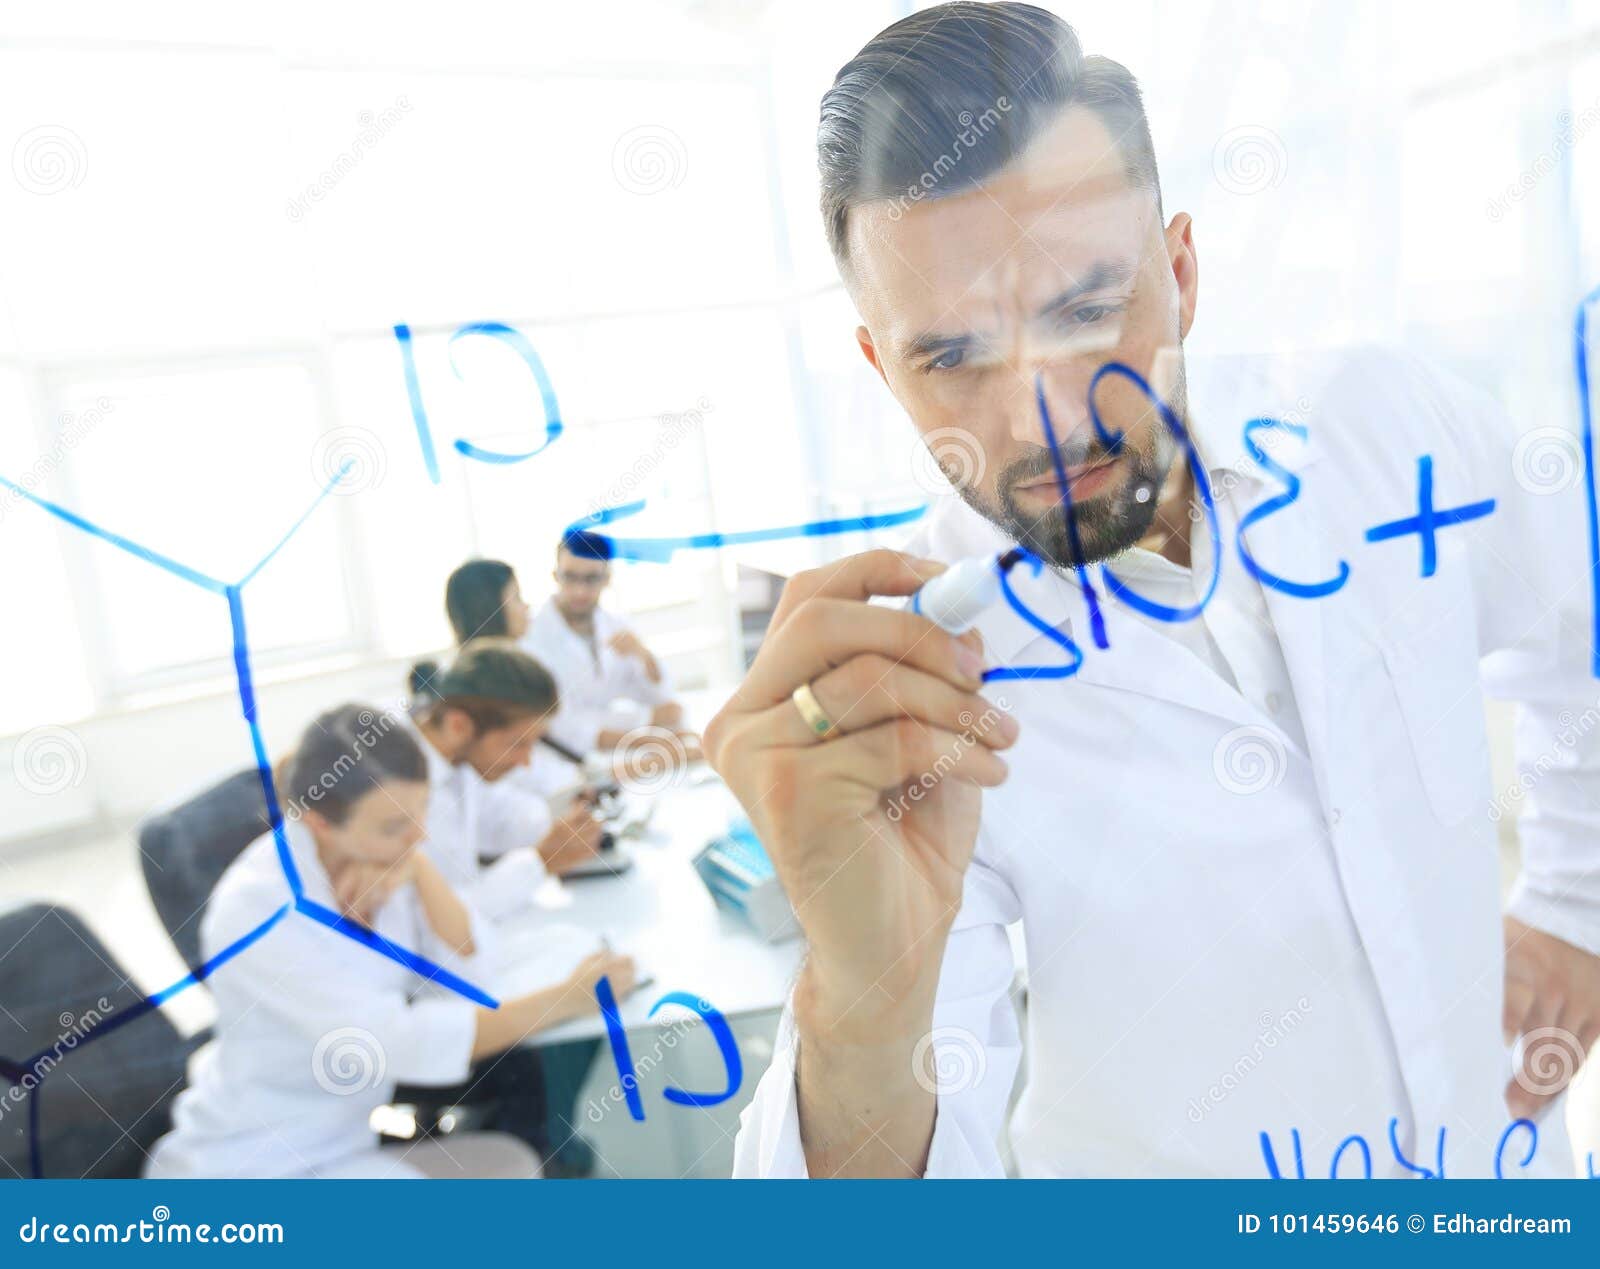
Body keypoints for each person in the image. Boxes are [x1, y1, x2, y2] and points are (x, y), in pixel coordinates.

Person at [710, 2, 1600, 1178]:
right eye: (954, 356)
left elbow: (1575, 638)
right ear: (882, 363)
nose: (1050, 417)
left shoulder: (1381, 422)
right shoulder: (906, 696)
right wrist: (860, 1000)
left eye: (1088, 310)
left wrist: (1577, 909)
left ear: (1180, 272)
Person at [144, 704, 634, 1179]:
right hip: (254, 1166)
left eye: (420, 815)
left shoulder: (374, 862)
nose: (416, 835)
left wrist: (418, 869)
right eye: (395, 826)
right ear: (319, 821)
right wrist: (567, 1000)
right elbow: (394, 1042)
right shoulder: (258, 910)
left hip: (340, 1145)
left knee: (513, 1156)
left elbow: (467, 975)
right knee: (510, 1170)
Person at [521, 540, 700, 762]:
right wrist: (646, 730)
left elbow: (663, 699)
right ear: (555, 576)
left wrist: (642, 654)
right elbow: (560, 726)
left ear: (607, 579)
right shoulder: (532, 637)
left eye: (591, 578)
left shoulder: (615, 626)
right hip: (567, 759)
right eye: (570, 577)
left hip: (612, 751)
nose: (580, 590)